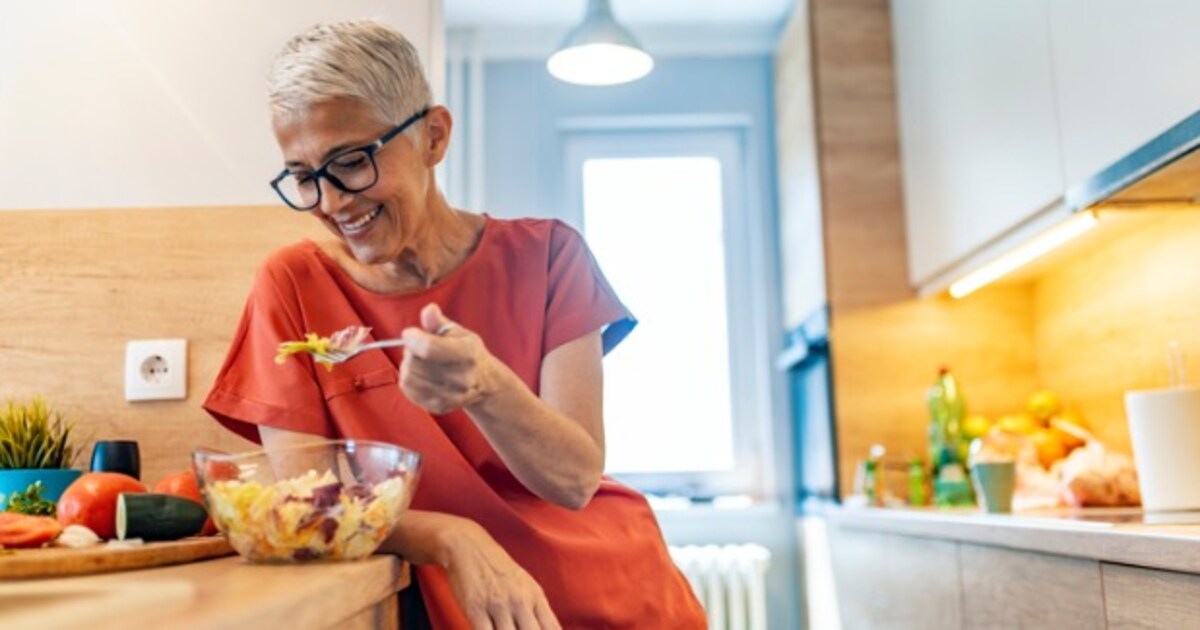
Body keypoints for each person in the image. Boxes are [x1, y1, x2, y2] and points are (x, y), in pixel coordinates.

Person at [203, 19, 707, 630]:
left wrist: (487, 386)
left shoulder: (550, 256)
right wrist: (449, 537)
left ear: (433, 137)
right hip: (459, 602)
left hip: (618, 592)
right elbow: (310, 504)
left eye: (352, 162)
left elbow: (574, 480)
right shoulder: (292, 286)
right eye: (305, 177)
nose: (332, 203)